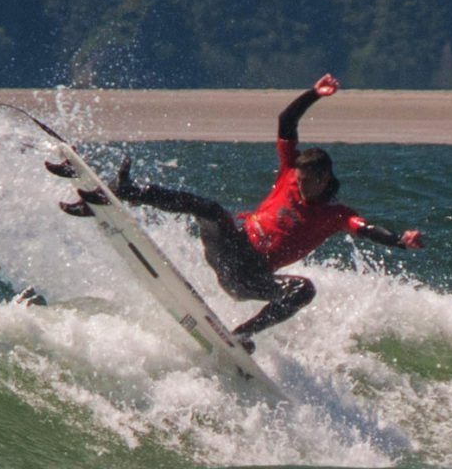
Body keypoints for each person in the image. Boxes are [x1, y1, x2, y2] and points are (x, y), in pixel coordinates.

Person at [58, 74, 424, 349]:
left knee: (304, 289)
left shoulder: (336, 215)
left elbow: (368, 227)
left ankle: (242, 335)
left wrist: (400, 241)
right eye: (295, 177)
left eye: (304, 181)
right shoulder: (289, 174)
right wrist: (313, 94)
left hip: (250, 278)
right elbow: (286, 122)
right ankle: (126, 192)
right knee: (212, 210)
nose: (296, 185)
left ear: (323, 178)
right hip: (229, 247)